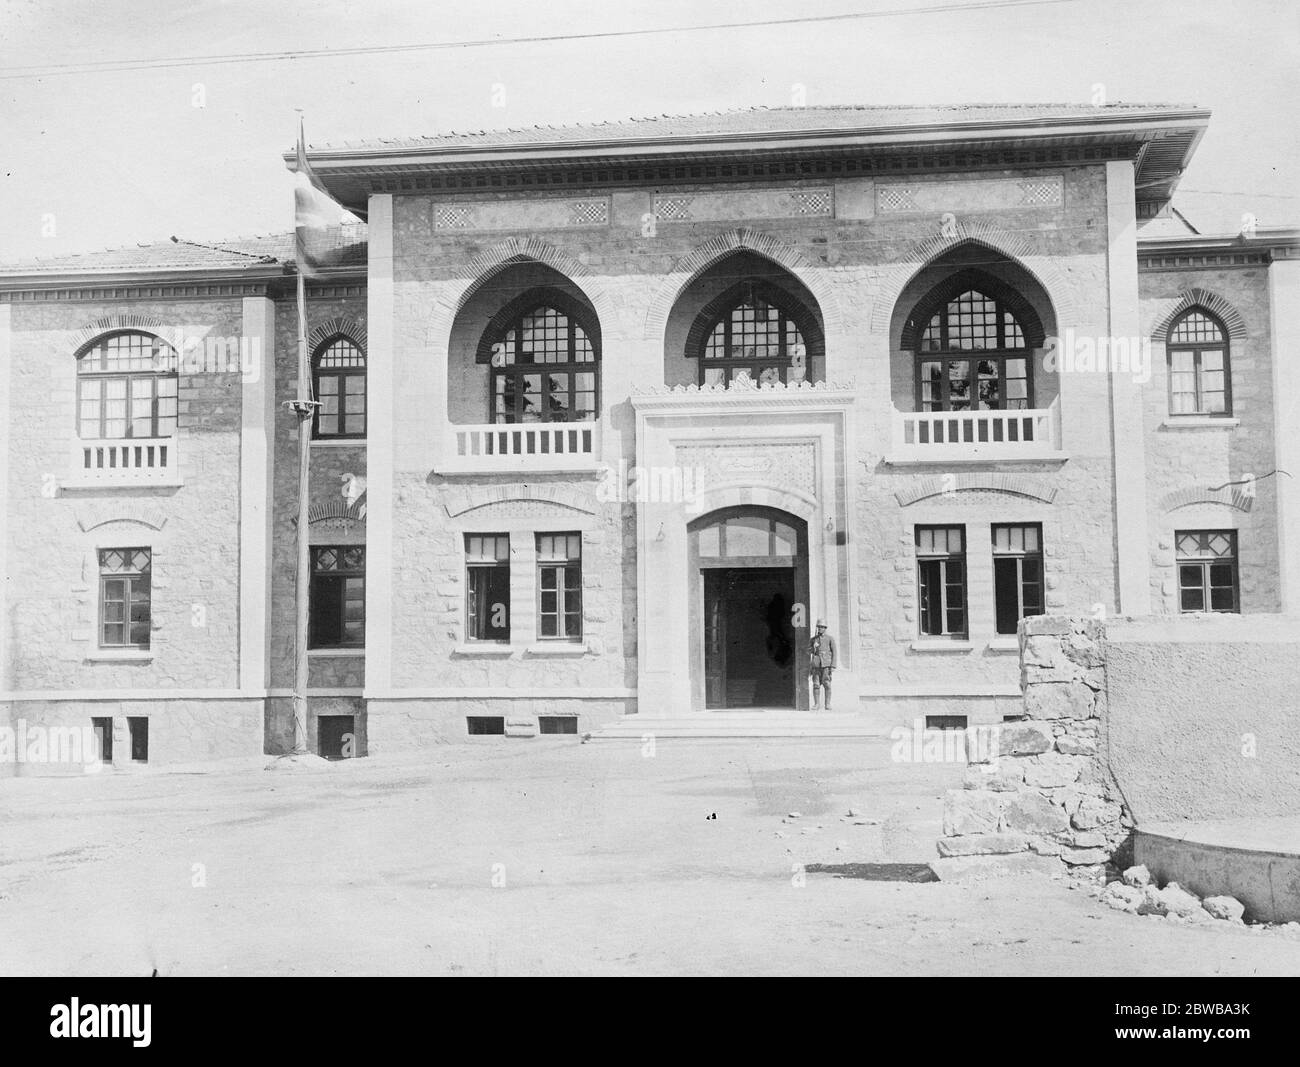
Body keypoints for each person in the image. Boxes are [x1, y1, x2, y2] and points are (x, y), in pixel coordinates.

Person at [809, 618, 836, 710]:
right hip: (816, 665)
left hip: (826, 665)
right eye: (819, 627)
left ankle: (827, 704)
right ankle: (816, 704)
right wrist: (813, 647)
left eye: (822, 627)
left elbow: (834, 652)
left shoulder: (830, 639)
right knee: (816, 684)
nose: (820, 628)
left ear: (825, 628)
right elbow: (808, 651)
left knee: (827, 684)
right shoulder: (813, 639)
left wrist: (833, 665)